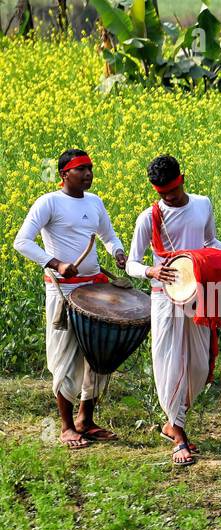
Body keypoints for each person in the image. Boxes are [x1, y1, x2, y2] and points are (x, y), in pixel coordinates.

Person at [125, 154, 221, 466]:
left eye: (172, 190)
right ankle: (178, 434)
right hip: (165, 296)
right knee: (170, 362)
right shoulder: (148, 218)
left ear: (182, 179)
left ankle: (173, 422)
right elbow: (131, 263)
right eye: (162, 193)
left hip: (198, 293)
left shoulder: (202, 204)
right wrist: (151, 271)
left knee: (198, 366)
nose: (168, 198)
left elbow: (209, 241)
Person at [12, 148, 126, 450]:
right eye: (81, 169)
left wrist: (117, 252)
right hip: (63, 291)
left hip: (96, 290)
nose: (88, 174)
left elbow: (109, 236)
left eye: (90, 168)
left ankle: (85, 420)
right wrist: (56, 263)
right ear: (64, 174)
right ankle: (65, 427)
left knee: (99, 355)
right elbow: (21, 241)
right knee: (65, 358)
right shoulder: (49, 202)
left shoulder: (95, 202)